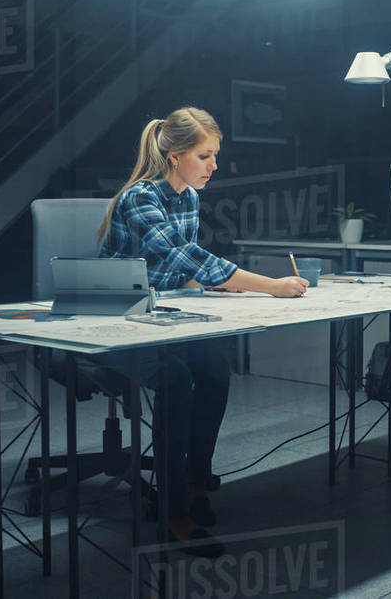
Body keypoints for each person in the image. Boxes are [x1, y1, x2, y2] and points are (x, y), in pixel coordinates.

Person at [98, 107, 308, 556]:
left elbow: (179, 269)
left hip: (156, 315)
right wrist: (270, 287)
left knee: (214, 366)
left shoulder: (188, 197)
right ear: (175, 155)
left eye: (214, 155)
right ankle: (172, 513)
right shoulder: (141, 198)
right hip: (109, 322)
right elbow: (190, 260)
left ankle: (195, 486)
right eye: (205, 156)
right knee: (174, 378)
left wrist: (217, 285)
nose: (214, 166)